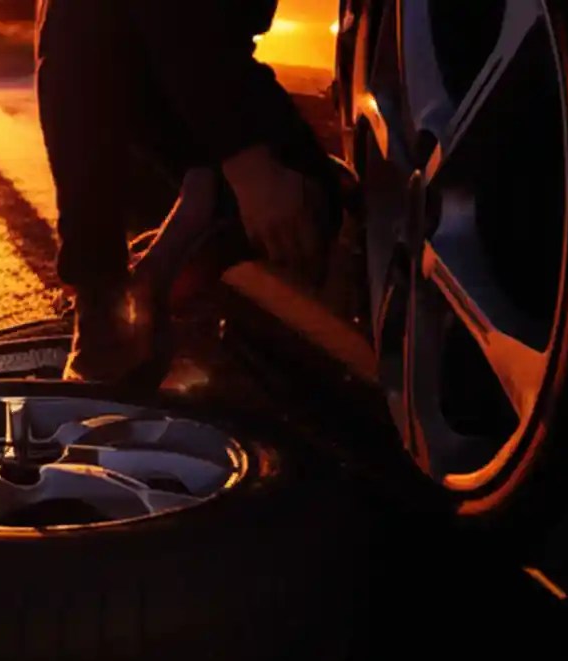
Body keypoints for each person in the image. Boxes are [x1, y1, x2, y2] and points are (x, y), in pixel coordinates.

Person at [36, 0, 346, 383]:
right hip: (161, 63)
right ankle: (120, 304)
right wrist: (250, 166)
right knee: (310, 199)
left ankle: (123, 294)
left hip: (145, 85)